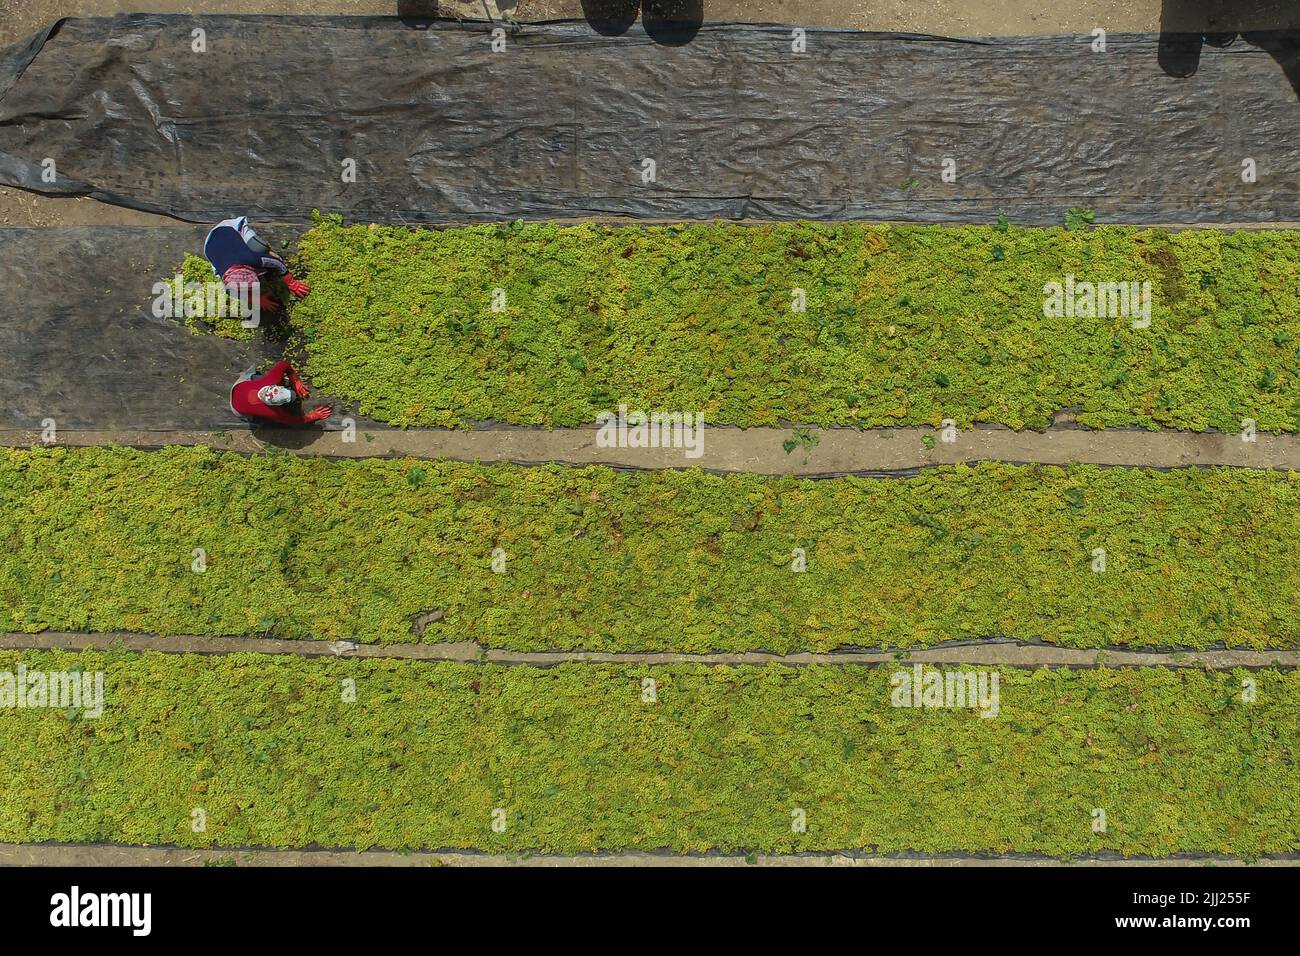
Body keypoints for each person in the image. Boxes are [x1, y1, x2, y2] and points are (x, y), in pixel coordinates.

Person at [204, 216, 310, 314]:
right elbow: (234, 293)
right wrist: (258, 300)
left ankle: (264, 252)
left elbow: (277, 263)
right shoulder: (224, 280)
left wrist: (290, 282)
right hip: (209, 246)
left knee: (259, 247)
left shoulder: (252, 259)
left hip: (228, 228)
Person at [230, 360, 331, 426]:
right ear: (275, 405)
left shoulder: (270, 380)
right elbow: (291, 421)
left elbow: (284, 363)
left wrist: (295, 380)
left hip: (242, 385)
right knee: (266, 422)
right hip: (237, 408)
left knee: (255, 378)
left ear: (273, 386)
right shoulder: (271, 412)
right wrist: (313, 416)